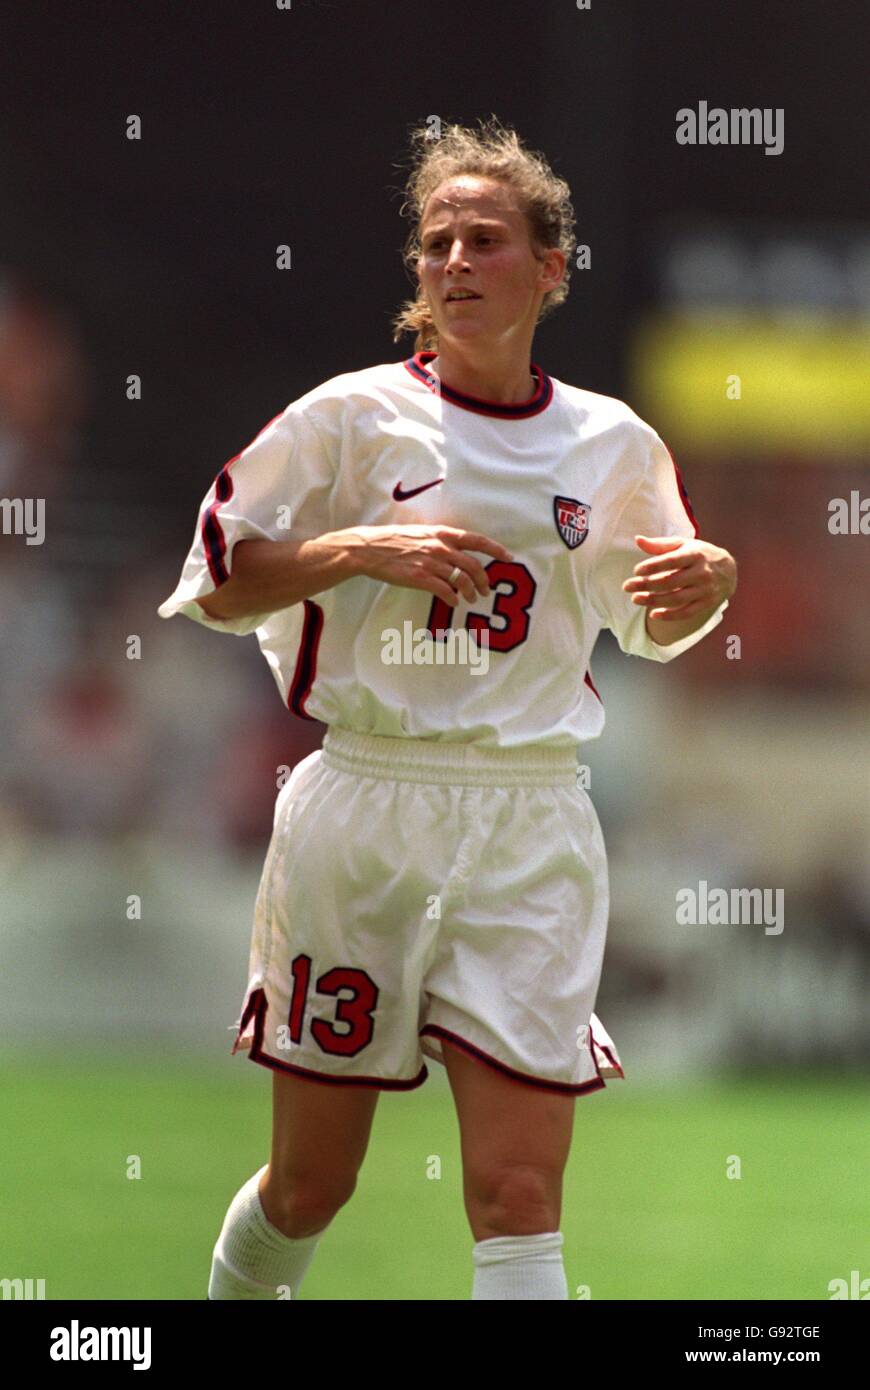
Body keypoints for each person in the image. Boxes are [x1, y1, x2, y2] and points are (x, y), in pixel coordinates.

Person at [157, 117, 737, 1301]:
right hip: (364, 805)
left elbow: (660, 623)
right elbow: (215, 579)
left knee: (518, 1196)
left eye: (484, 239)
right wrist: (359, 547)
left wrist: (714, 583)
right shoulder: (352, 417)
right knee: (311, 1185)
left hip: (530, 822)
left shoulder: (611, 442)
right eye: (436, 243)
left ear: (551, 268)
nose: (456, 263)